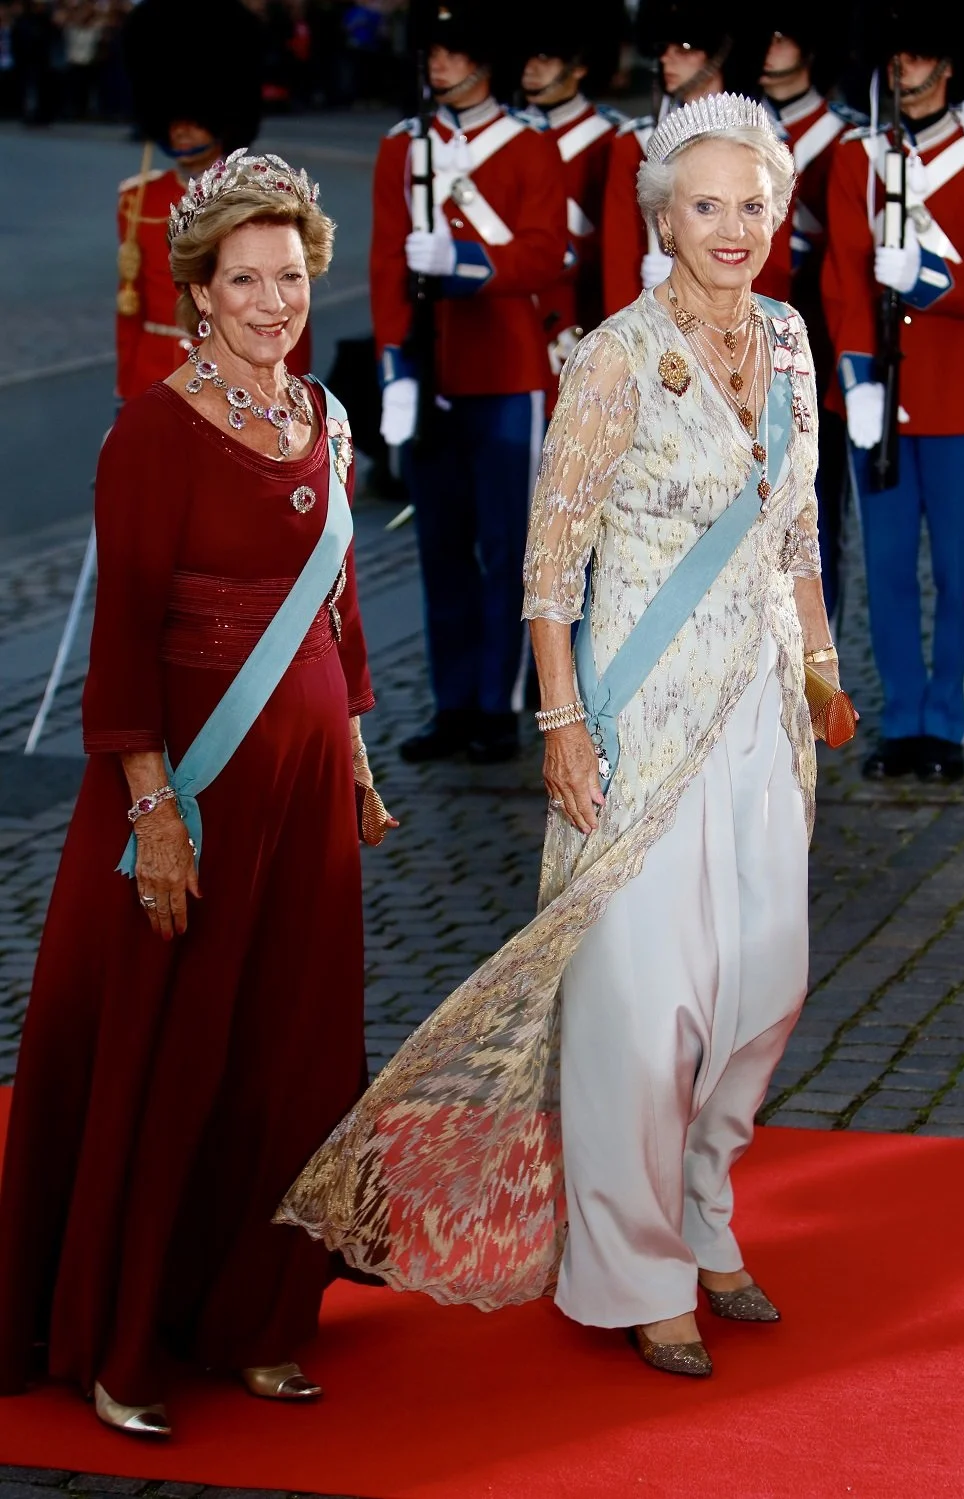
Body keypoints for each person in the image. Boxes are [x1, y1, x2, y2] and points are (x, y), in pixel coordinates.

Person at [280, 93, 847, 1376]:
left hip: (759, 710)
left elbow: (798, 526)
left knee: (764, 986)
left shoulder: (793, 340)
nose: (734, 226)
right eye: (706, 204)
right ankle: (636, 1265)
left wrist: (817, 662)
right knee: (642, 1004)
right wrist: (562, 723)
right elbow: (550, 563)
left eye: (753, 203)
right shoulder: (612, 357)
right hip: (639, 716)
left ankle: (706, 1212)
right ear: (659, 216)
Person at [0, 149, 393, 1437]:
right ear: (200, 291)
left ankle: (259, 1315)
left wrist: (354, 752)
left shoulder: (324, 415)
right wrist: (152, 808)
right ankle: (125, 1337)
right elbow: (119, 646)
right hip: (194, 785)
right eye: (247, 281)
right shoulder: (154, 431)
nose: (275, 301)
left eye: (290, 277)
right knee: (174, 1053)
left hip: (304, 786)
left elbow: (334, 610)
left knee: (292, 1052)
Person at [372, 3, 566, 764]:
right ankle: (453, 701)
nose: (439, 65)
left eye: (455, 52)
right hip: (432, 369)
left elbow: (547, 253)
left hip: (507, 368)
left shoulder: (527, 147)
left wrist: (466, 261)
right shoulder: (403, 149)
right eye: (435, 52)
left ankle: (502, 701)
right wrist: (394, 365)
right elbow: (388, 263)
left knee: (508, 543)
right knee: (440, 544)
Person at [823, 19, 964, 782]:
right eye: (898, 52)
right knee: (888, 568)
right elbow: (840, 276)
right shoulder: (858, 161)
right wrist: (858, 378)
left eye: (922, 52)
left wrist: (928, 278)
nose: (905, 66)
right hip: (881, 400)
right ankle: (901, 720)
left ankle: (945, 722)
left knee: (959, 570)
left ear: (950, 65)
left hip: (963, 396)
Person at [115, 0, 311, 405]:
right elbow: (129, 307)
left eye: (195, 116)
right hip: (154, 377)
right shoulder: (136, 200)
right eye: (171, 117)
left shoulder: (262, 197)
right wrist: (125, 393)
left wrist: (291, 393)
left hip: (237, 377)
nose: (181, 130)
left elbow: (288, 308)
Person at [602, 4, 789, 315]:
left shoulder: (765, 143)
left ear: (720, 54)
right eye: (663, 48)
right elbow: (618, 254)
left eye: (685, 48)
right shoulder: (632, 143)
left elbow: (771, 255)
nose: (666, 59)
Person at [759, 15, 852, 615]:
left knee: (816, 504)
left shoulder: (843, 137)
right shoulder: (741, 130)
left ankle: (821, 645)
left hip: (817, 327)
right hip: (749, 328)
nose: (769, 50)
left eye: (781, 36)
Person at [517, 1, 626, 401]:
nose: (530, 67)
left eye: (546, 58)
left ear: (578, 66)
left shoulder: (612, 138)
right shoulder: (506, 133)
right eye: (528, 56)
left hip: (582, 309)